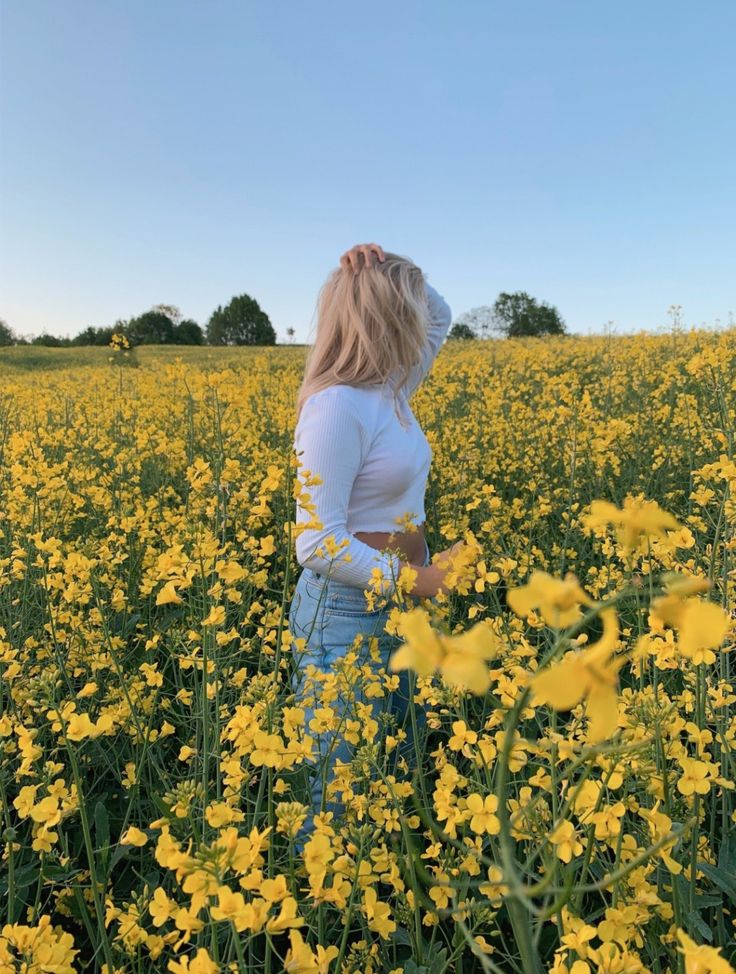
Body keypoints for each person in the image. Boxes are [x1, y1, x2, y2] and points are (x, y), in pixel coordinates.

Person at [288, 242, 464, 854]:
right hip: (344, 615)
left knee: (390, 779)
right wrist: (422, 581)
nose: (421, 323)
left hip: (398, 607)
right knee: (337, 795)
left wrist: (386, 259)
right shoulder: (337, 406)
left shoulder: (394, 388)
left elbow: (443, 315)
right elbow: (316, 542)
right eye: (407, 309)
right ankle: (313, 925)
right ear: (386, 317)